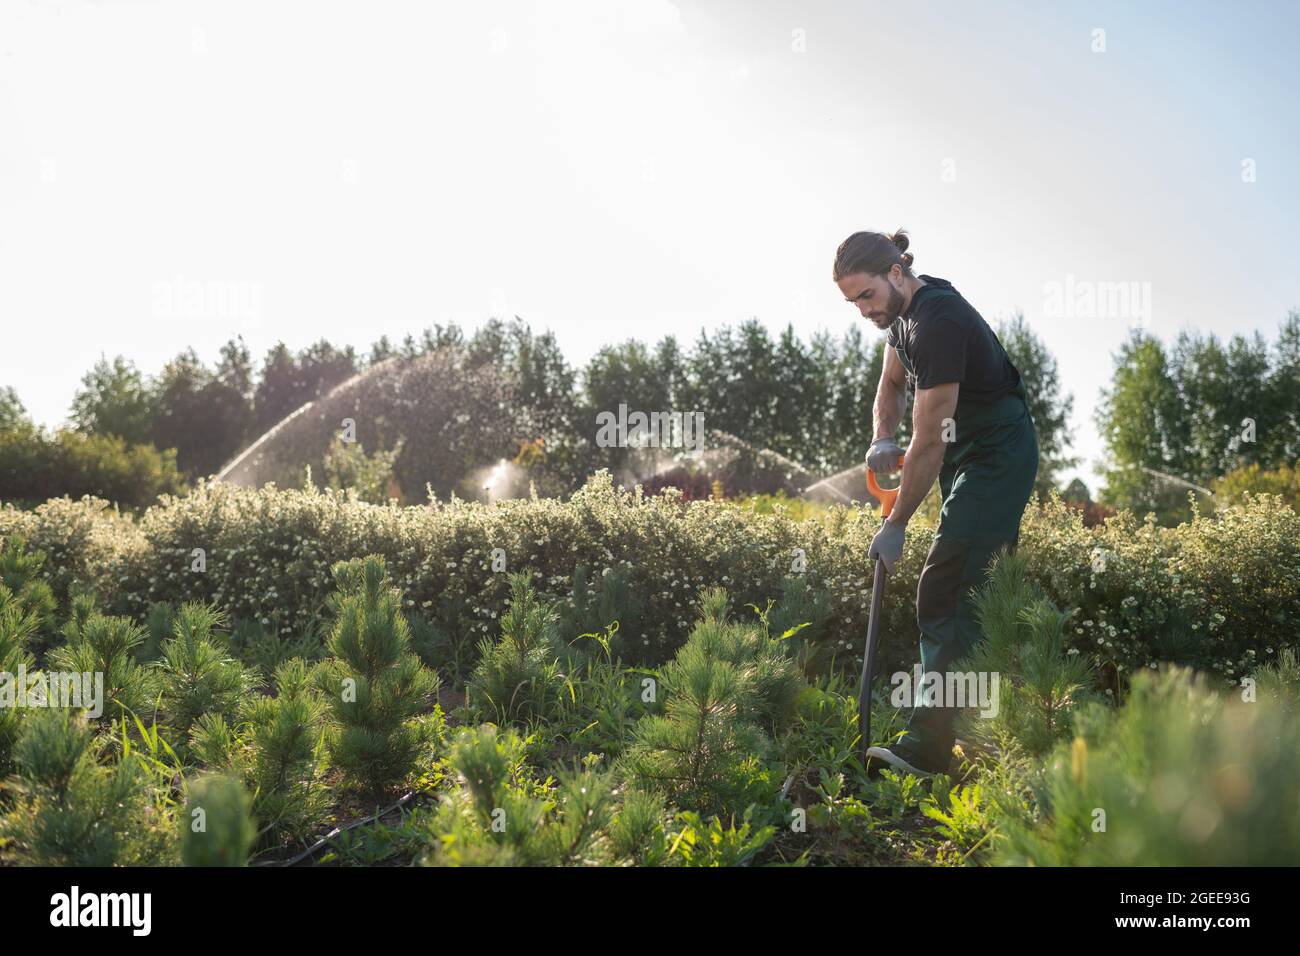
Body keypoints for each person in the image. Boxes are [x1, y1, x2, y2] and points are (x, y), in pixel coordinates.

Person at [833, 229, 1039, 777]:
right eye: (852, 301)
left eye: (866, 296)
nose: (861, 310)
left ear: (895, 273)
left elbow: (929, 439)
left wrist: (898, 521)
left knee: (945, 587)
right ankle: (989, 736)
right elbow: (892, 385)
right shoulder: (899, 321)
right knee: (977, 590)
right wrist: (881, 437)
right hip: (968, 455)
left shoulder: (937, 322)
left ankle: (928, 750)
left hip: (996, 452)